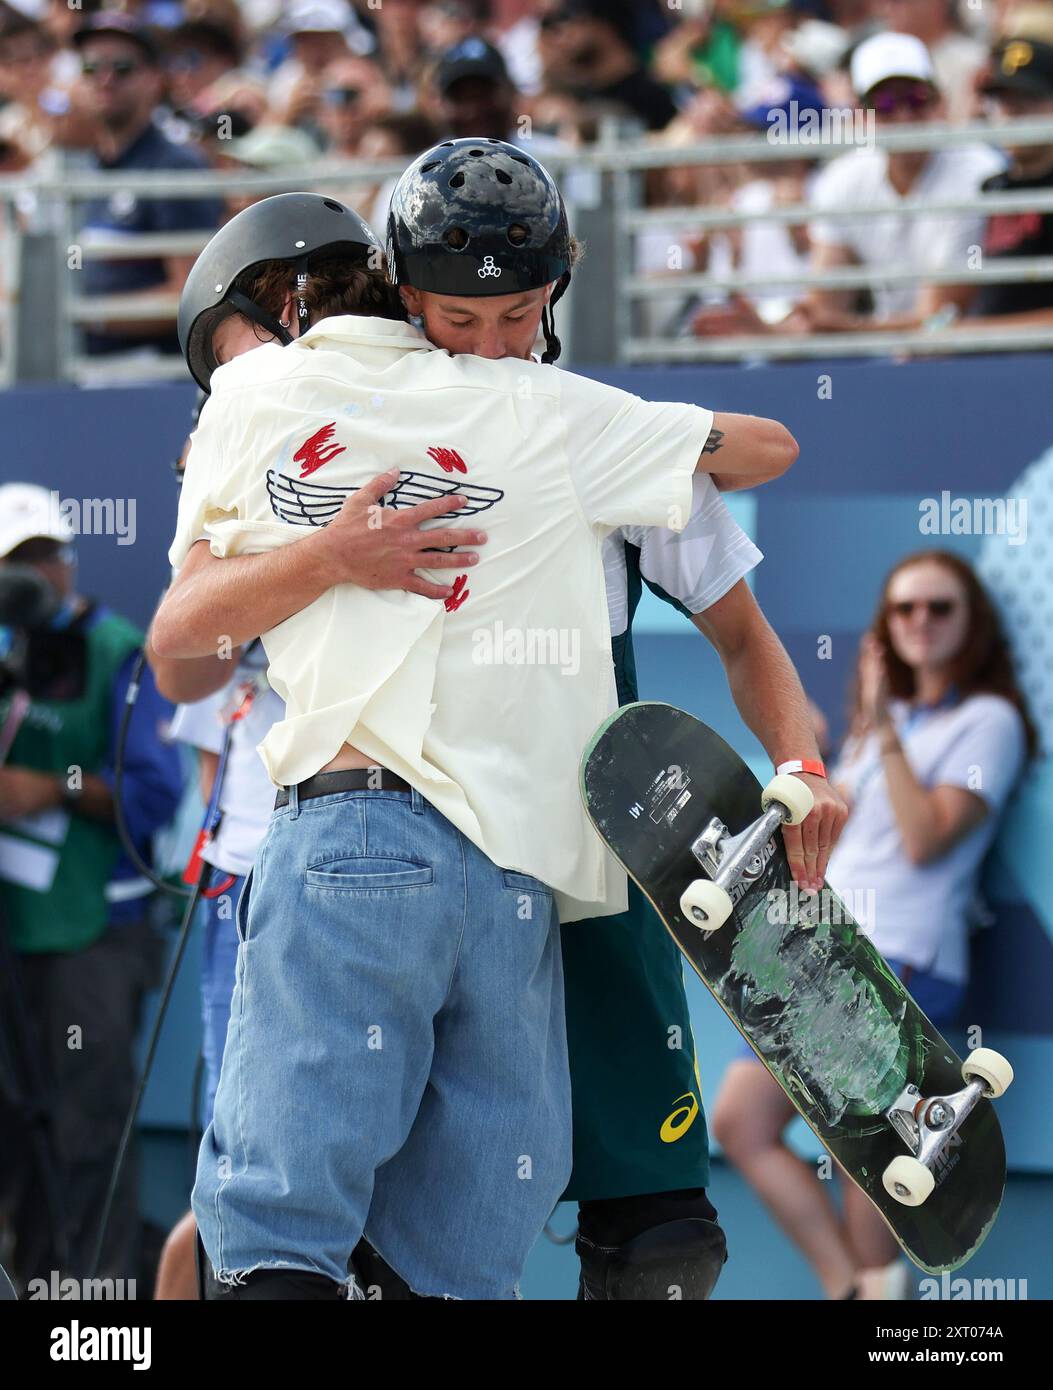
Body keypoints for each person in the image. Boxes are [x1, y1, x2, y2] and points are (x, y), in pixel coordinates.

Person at [149, 173, 826, 1299]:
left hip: (440, 846)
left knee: (285, 1231)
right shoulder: (555, 414)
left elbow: (176, 641)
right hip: (525, 865)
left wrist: (800, 761)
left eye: (517, 315)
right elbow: (774, 447)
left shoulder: (280, 391)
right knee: (456, 1260)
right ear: (403, 296)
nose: (493, 341)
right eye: (462, 318)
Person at [712, 549, 1033, 1300]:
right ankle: (849, 1284)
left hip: (902, 954)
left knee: (870, 1155)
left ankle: (869, 1291)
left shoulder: (987, 722)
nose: (919, 622)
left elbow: (925, 840)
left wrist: (882, 729)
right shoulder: (871, 731)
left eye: (939, 607)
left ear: (971, 622)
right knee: (740, 1123)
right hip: (820, 950)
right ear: (884, 626)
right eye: (903, 609)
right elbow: (832, 846)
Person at [0, 483, 183, 1289]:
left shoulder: (116, 650)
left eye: (45, 557)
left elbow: (153, 796)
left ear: (70, 562)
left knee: (85, 1130)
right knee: (16, 1128)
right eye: (16, 564)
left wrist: (54, 786)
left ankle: (93, 1306)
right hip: (12, 926)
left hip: (93, 938)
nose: (36, 577)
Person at [798, 31, 1004, 336]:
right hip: (899, 358)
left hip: (966, 361)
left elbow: (940, 320)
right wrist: (770, 331)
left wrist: (834, 328)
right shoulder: (842, 179)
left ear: (940, 103)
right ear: (860, 115)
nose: (904, 116)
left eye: (916, 99)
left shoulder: (979, 173)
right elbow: (825, 303)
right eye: (885, 104)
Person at [71, 11, 224, 360]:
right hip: (84, 371)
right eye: (91, 68)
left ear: (156, 79)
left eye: (122, 68)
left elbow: (195, 294)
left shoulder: (177, 167)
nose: (105, 79)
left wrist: (82, 313)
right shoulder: (85, 167)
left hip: (150, 374)